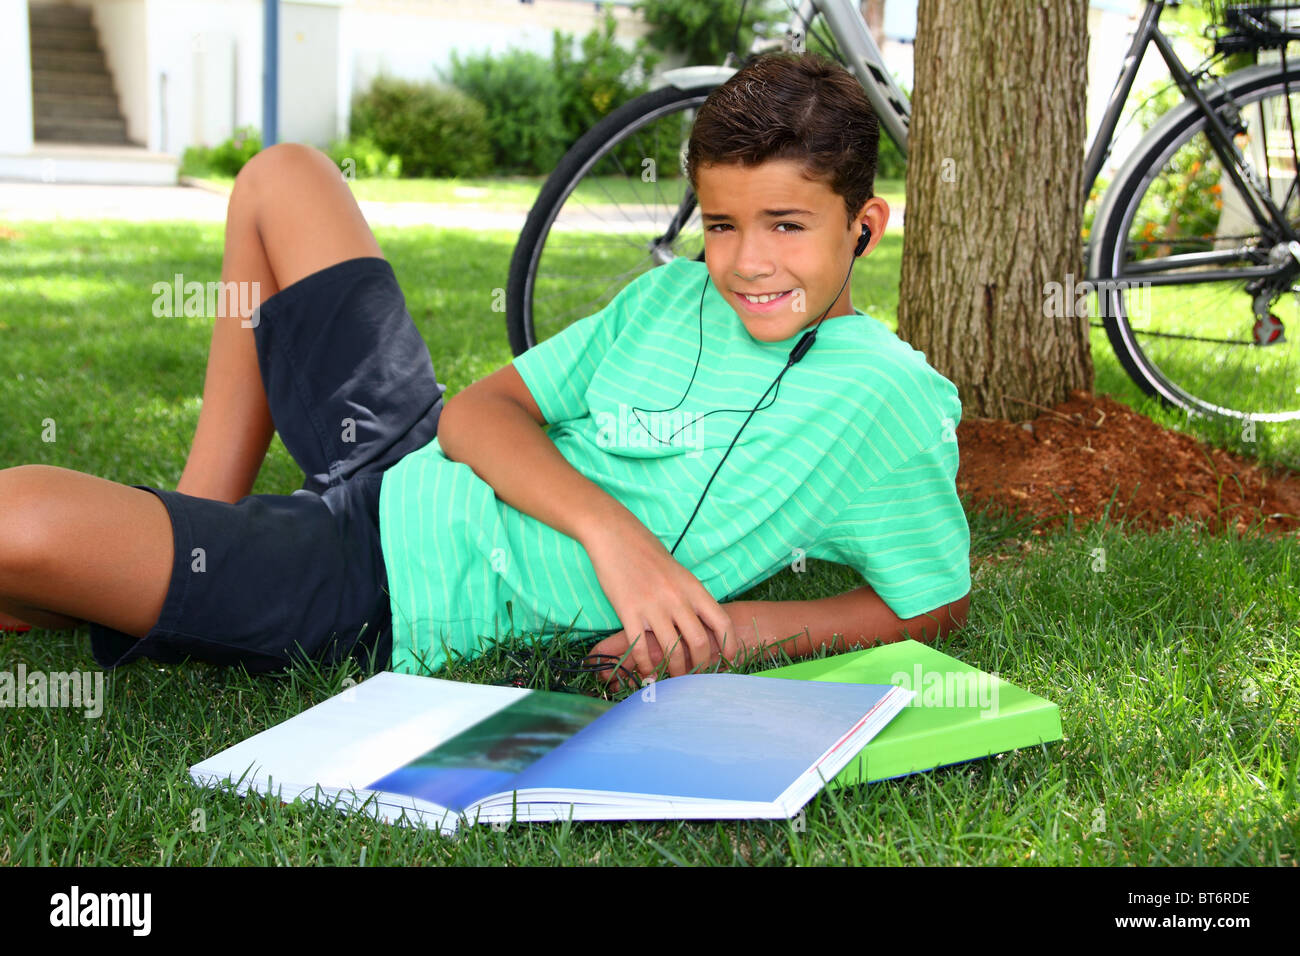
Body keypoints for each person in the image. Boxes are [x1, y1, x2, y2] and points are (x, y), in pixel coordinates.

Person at [0, 51, 969, 689]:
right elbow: (480, 412)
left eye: (786, 226)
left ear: (864, 227)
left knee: (20, 521)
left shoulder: (882, 396)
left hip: (385, 577)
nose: (747, 262)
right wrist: (617, 537)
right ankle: (193, 533)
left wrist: (739, 628)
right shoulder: (668, 297)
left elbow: (927, 600)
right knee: (283, 175)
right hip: (417, 450)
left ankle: (171, 571)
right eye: (721, 224)